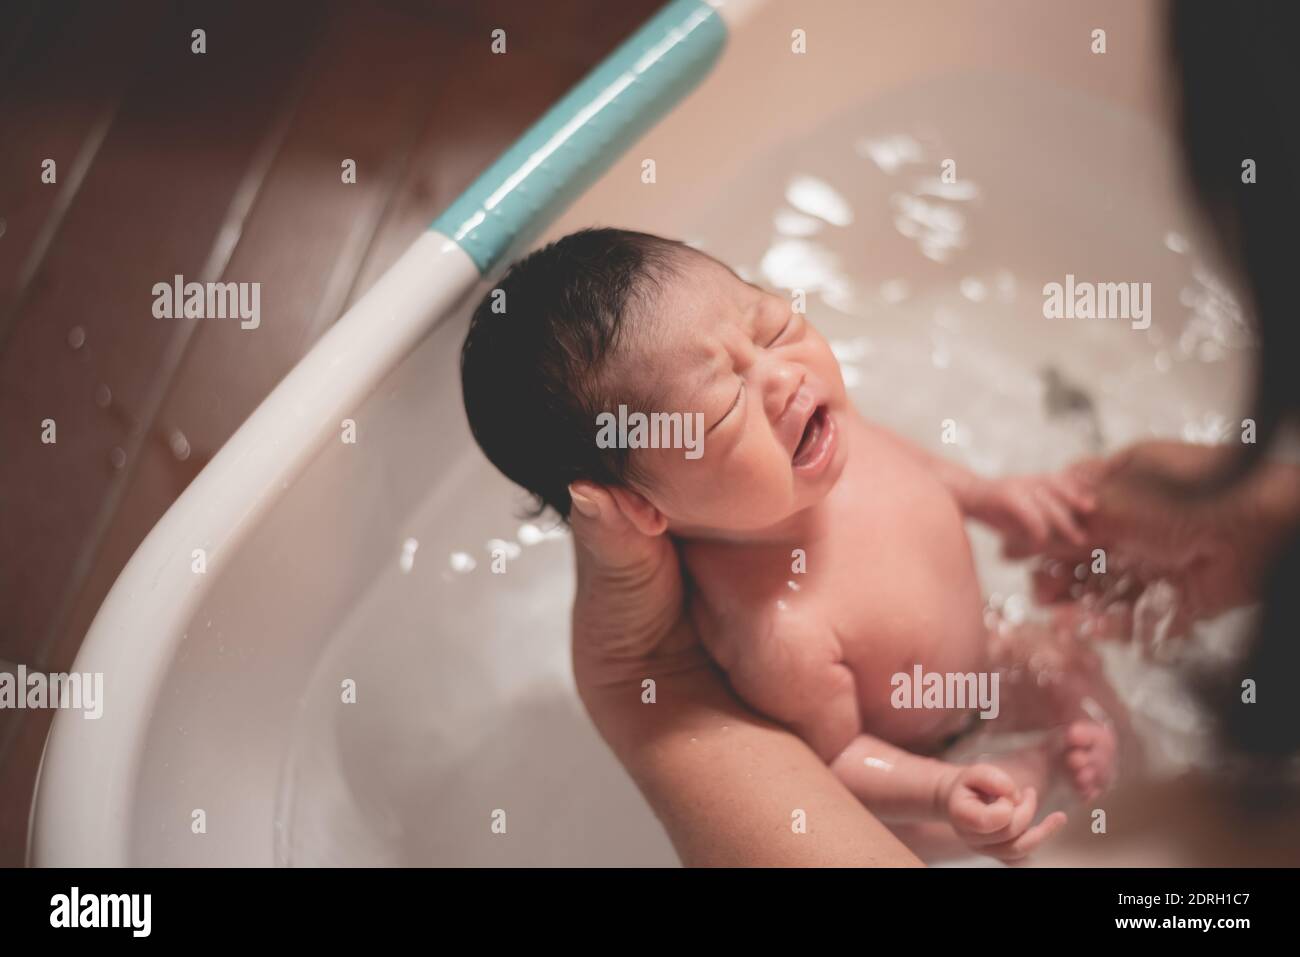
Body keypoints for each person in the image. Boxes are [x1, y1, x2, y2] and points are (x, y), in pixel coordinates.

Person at [568, 0, 1299, 865]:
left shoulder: (825, 439)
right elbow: (837, 764)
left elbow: (920, 469)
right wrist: (942, 790)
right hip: (931, 746)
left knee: (1083, 692)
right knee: (929, 821)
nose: (783, 380)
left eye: (770, 328)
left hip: (988, 654)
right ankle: (1036, 782)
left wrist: (995, 498)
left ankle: (1132, 778)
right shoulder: (780, 631)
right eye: (723, 408)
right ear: (646, 505)